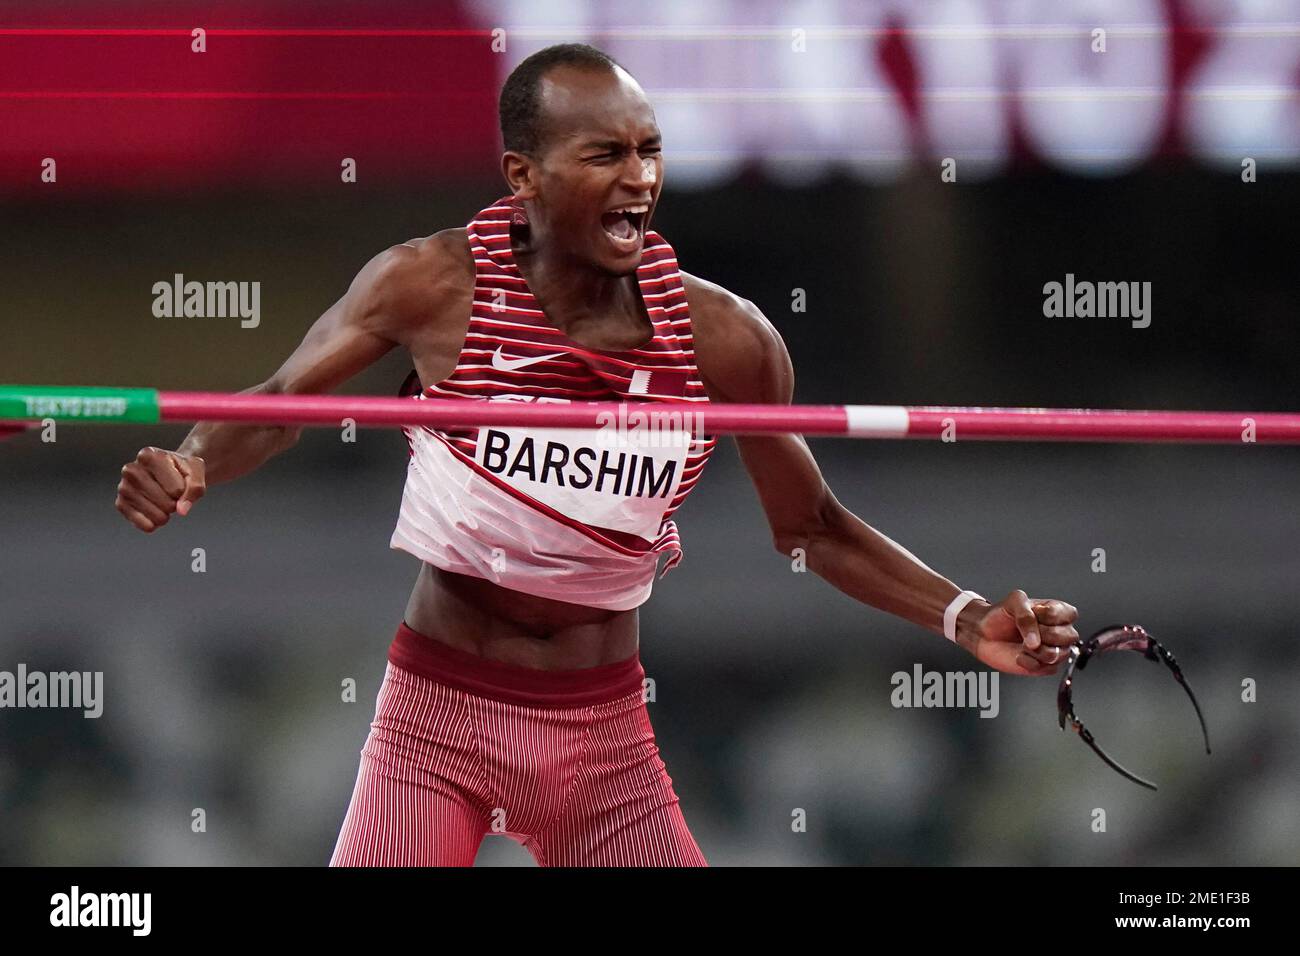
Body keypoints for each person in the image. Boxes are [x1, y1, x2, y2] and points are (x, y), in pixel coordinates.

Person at [113, 44, 1078, 866]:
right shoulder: (430, 285)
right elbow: (284, 406)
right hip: (436, 720)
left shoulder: (727, 342)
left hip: (604, 741)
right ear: (522, 176)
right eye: (605, 154)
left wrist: (965, 618)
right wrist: (195, 463)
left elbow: (811, 528)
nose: (640, 178)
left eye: (650, 151)